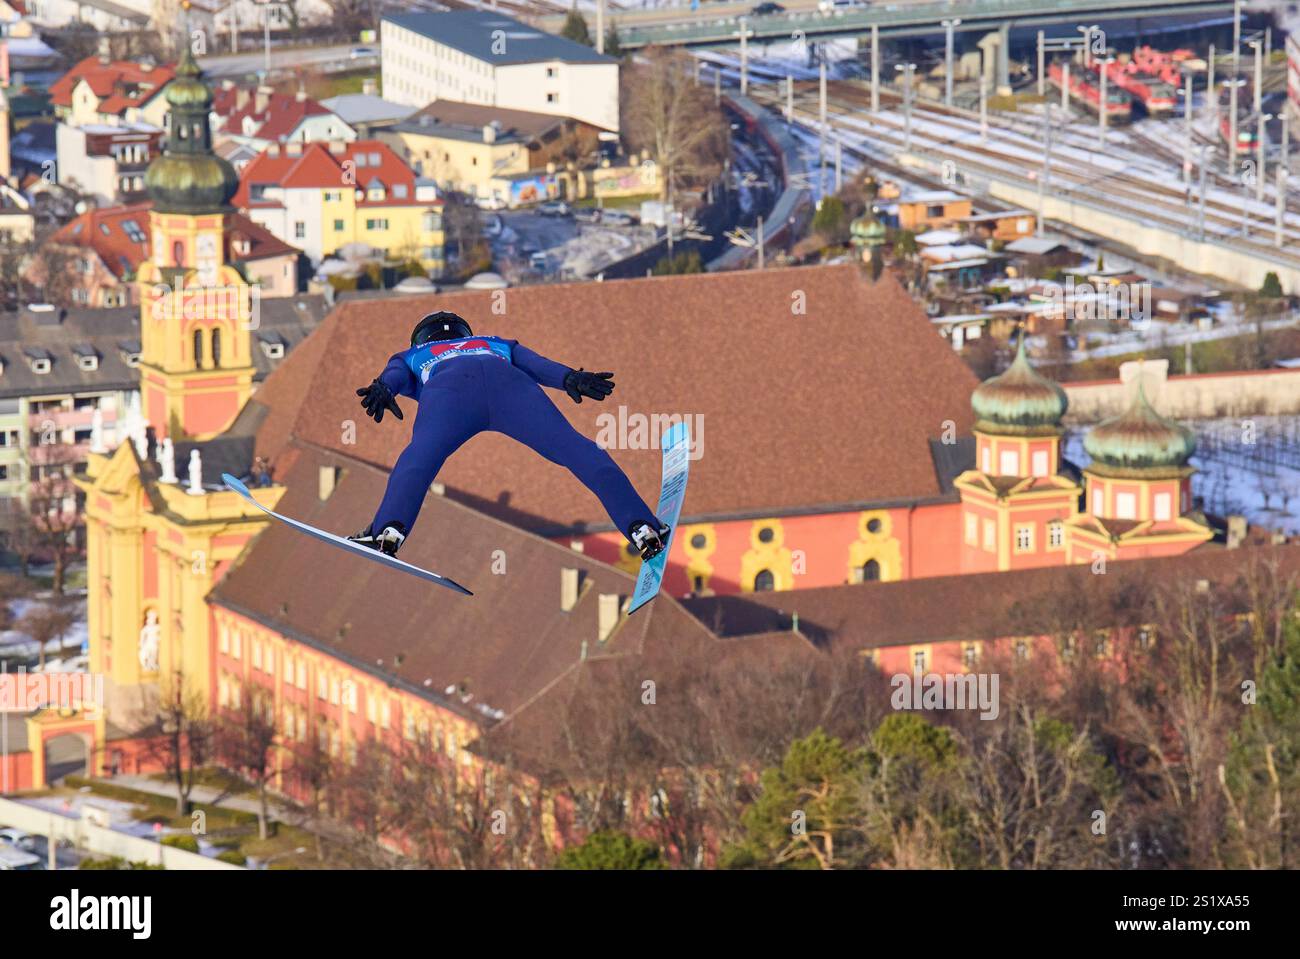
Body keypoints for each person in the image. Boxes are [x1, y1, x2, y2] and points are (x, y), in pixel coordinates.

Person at [349, 311, 669, 560]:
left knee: (417, 460)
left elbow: (393, 376)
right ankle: (641, 527)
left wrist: (383, 387)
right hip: (512, 388)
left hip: (450, 395)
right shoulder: (495, 343)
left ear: (419, 337)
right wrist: (571, 378)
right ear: (466, 333)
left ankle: (388, 530)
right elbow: (538, 365)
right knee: (579, 450)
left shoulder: (412, 354)